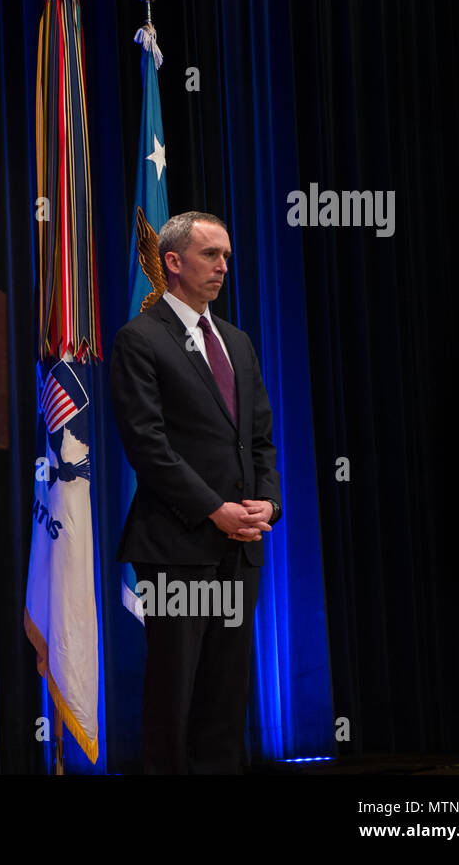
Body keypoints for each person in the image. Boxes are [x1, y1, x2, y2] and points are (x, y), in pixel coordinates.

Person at [108, 211, 282, 774]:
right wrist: (214, 509)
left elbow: (260, 440)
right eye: (211, 255)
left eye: (227, 255)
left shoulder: (236, 340)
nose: (224, 266)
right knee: (173, 694)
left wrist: (267, 503)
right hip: (177, 549)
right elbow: (148, 446)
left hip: (239, 549)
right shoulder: (139, 338)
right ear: (173, 262)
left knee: (226, 696)